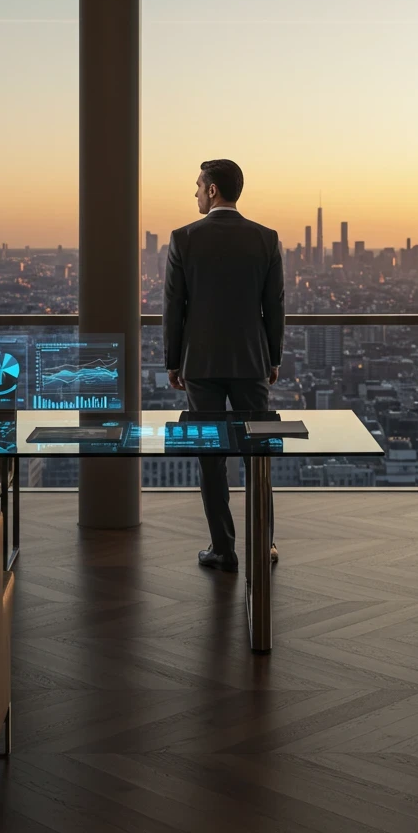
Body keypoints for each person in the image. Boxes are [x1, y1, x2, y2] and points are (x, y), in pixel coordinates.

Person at [163, 159, 285, 572]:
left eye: (198, 185)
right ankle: (263, 546)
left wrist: (173, 361)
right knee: (259, 457)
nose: (195, 192)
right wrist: (273, 357)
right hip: (251, 361)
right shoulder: (266, 239)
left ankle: (223, 548)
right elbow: (275, 307)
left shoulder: (183, 239)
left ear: (213, 190)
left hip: (200, 363)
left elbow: (173, 309)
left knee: (210, 459)